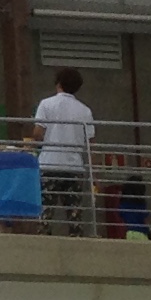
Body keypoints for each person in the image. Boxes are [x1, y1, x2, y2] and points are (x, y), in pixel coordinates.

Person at [33, 68, 96, 236]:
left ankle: (43, 239)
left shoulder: (46, 104)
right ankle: (76, 239)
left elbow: (38, 133)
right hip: (74, 166)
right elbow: (90, 142)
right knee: (74, 211)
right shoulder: (85, 111)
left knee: (45, 210)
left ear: (58, 83)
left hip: (49, 163)